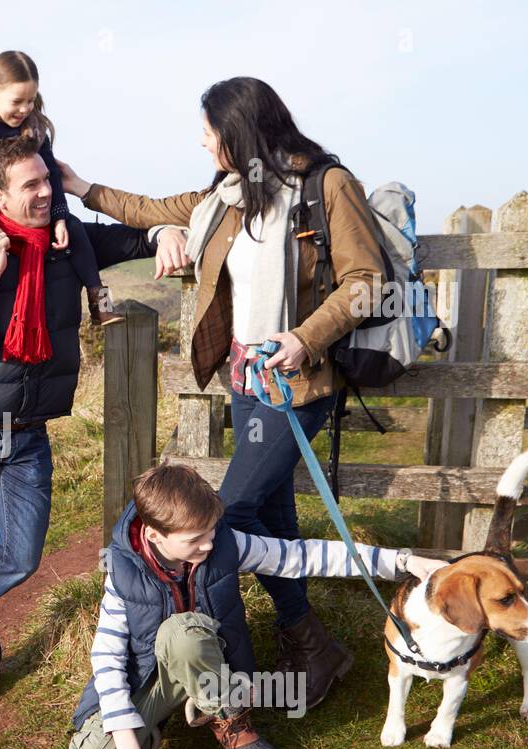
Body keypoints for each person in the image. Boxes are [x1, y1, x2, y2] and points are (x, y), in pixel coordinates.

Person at [59, 76, 388, 710]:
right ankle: (310, 644)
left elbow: (366, 280)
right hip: (245, 382)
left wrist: (305, 336)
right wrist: (83, 188)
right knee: (272, 515)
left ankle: (229, 672)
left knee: (228, 516)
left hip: (296, 383)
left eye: (212, 135)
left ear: (241, 134)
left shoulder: (326, 186)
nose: (204, 145)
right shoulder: (231, 193)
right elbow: (156, 208)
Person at [0, 134, 160, 708]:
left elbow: (128, 237)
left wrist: (166, 232)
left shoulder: (67, 247)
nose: (48, 194)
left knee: (20, 555)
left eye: (48, 180)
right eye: (32, 186)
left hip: (27, 428)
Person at [70, 462, 446, 749]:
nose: (209, 544)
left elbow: (304, 557)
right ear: (154, 535)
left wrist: (403, 561)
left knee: (182, 633)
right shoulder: (121, 570)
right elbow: (107, 656)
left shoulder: (224, 544)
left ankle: (226, 717)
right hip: (150, 675)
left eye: (212, 531)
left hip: (204, 655)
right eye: (195, 539)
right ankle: (179, 707)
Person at [0, 50, 121, 358]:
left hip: (23, 201)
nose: (25, 108)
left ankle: (100, 302)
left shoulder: (35, 124)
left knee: (75, 230)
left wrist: (58, 216)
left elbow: (51, 172)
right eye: (17, 101)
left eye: (31, 100)